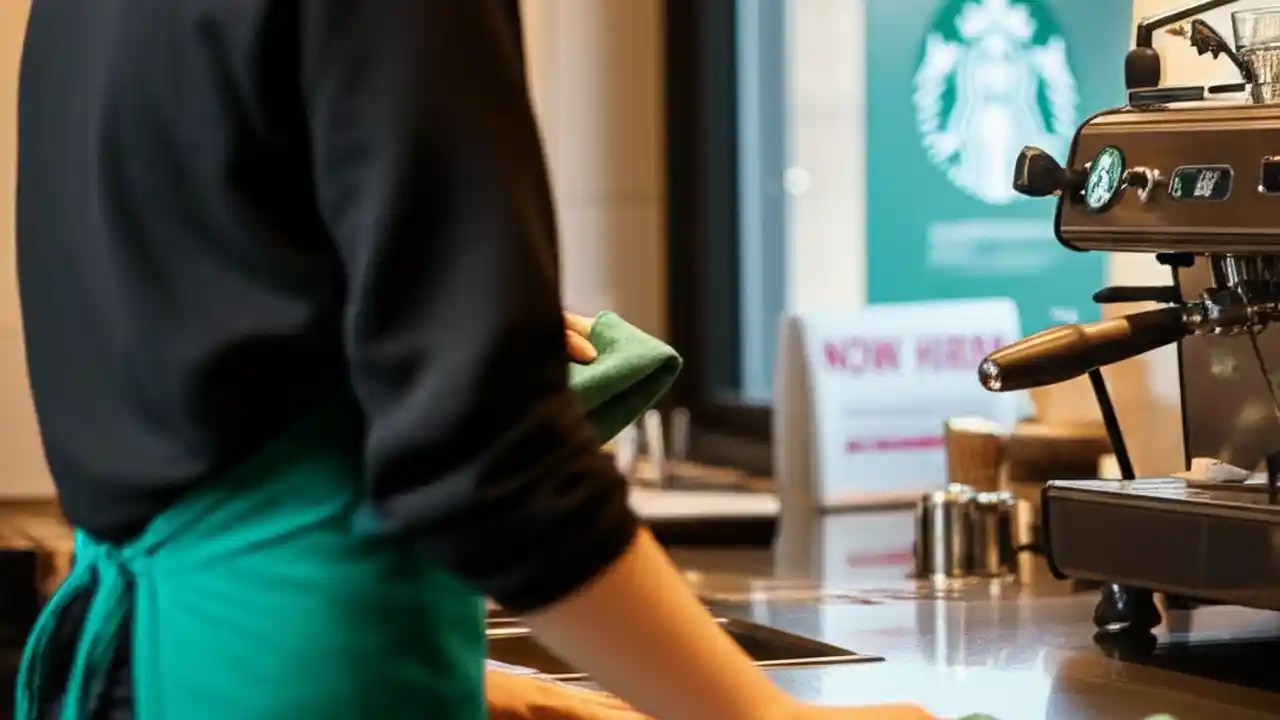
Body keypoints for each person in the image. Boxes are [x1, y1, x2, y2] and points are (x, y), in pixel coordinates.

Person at [13, 1, 933, 718]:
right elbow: (487, 464)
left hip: (164, 661)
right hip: (315, 663)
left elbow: (200, 327)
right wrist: (756, 714)